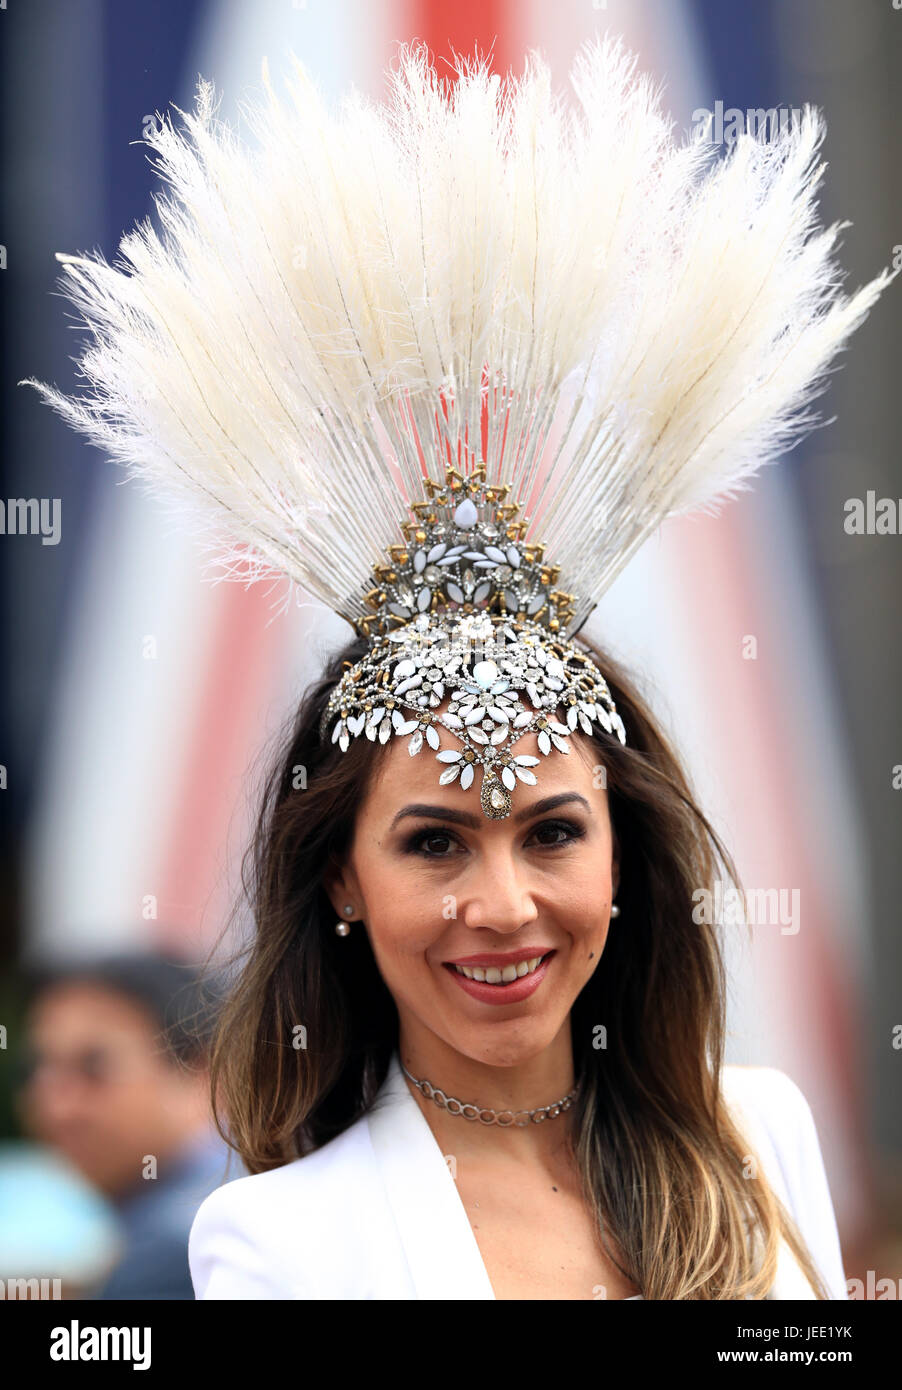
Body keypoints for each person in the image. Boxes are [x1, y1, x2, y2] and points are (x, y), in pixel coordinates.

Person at [22, 35, 894, 1298]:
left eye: (549, 832)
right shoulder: (279, 1241)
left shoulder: (760, 1142)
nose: (501, 905)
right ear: (341, 879)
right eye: (434, 842)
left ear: (619, 854)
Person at [17, 952, 239, 1299]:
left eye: (93, 1068)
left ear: (201, 1073)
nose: (55, 1106)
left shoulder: (180, 1256)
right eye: (40, 1070)